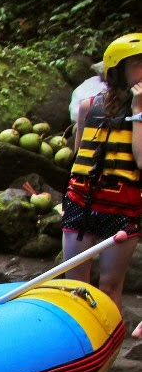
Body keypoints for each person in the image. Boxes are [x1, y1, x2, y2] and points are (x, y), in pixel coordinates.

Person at [62, 32, 142, 311]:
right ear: (117, 70)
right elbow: (79, 153)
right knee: (75, 286)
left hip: (121, 209)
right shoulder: (88, 106)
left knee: (109, 287)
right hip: (80, 202)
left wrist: (138, 111)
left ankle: (110, 347)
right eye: (138, 64)